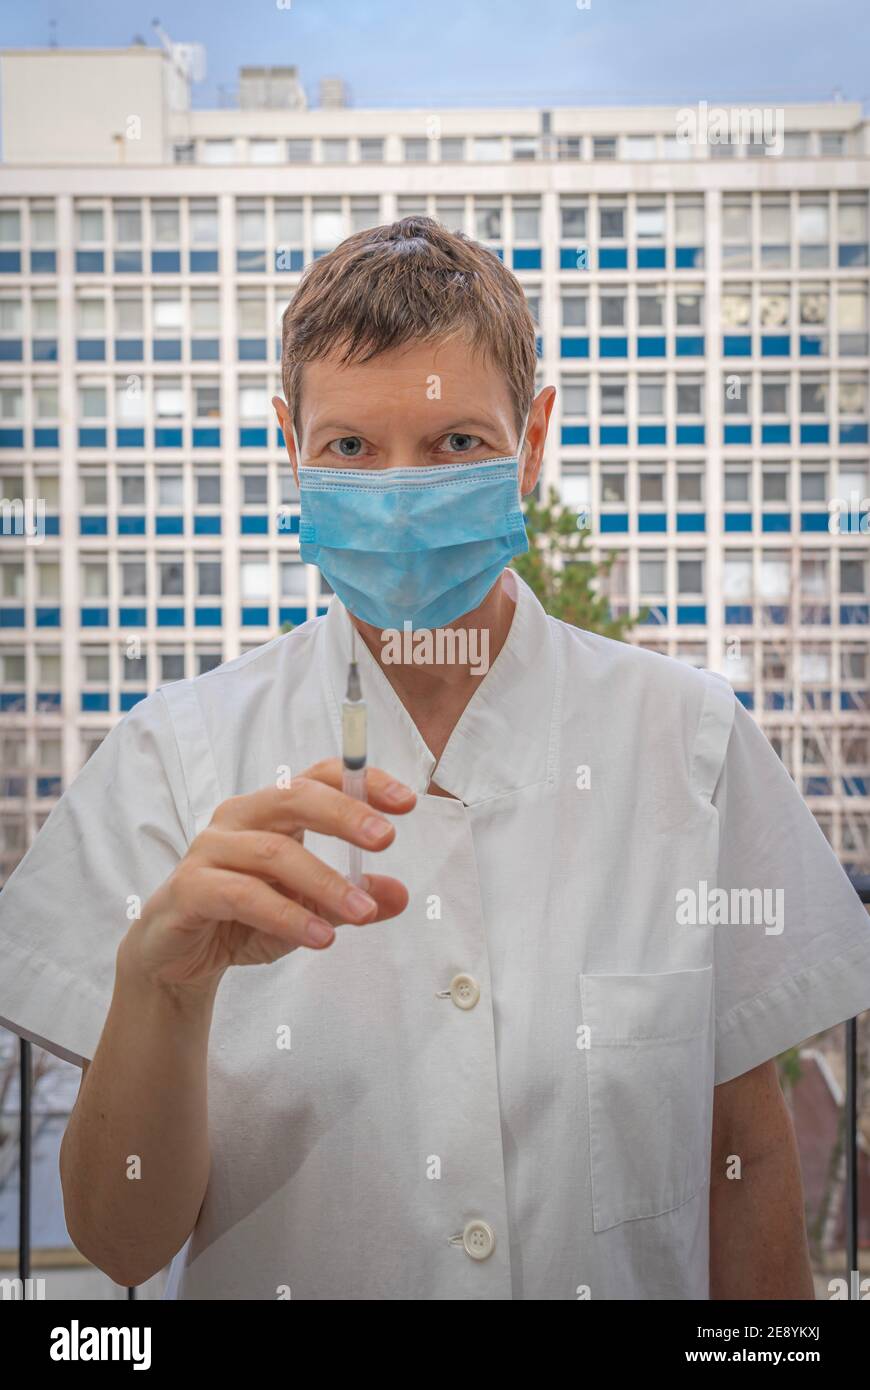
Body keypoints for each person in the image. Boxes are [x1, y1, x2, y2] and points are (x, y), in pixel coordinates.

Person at [1, 217, 869, 1301]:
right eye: (352, 449)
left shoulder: (689, 740)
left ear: (534, 440)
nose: (401, 492)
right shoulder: (173, 755)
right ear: (291, 448)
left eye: (456, 443)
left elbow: (745, 1165)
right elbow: (122, 1242)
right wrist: (154, 994)